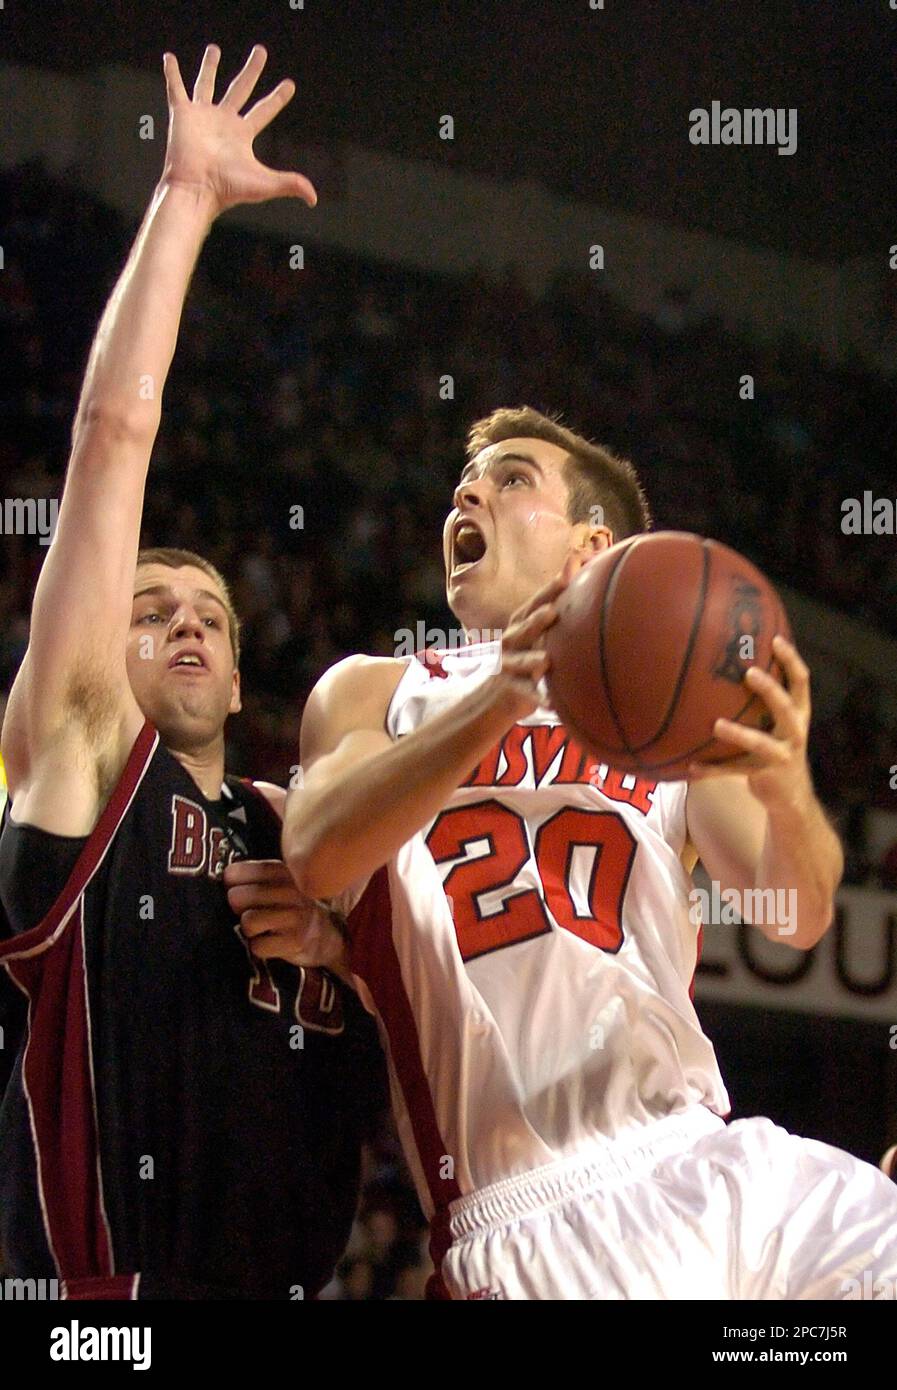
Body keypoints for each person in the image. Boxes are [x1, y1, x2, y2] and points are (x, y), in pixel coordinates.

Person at [283, 405, 897, 1300]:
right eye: (469, 480)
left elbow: (798, 914)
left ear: (589, 547)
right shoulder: (375, 691)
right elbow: (317, 852)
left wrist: (785, 785)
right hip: (535, 1206)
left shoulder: (673, 717)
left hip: (706, 1153)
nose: (468, 490)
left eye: (512, 477)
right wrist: (499, 699)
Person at [0, 44, 382, 1300]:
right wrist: (186, 200)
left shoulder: (308, 831)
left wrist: (347, 955)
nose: (185, 625)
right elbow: (114, 436)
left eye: (210, 612)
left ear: (236, 673)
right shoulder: (89, 761)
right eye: (150, 607)